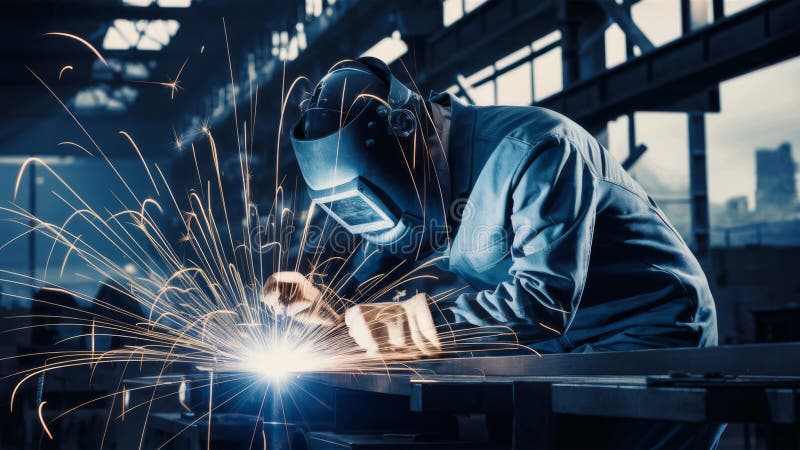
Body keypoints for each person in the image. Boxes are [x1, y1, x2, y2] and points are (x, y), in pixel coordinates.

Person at [264, 57, 724, 447]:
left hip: (650, 339)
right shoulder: (412, 184)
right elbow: (375, 279)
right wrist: (329, 308)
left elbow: (541, 303)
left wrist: (400, 328)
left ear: (411, 137)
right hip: (551, 353)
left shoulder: (537, 150)